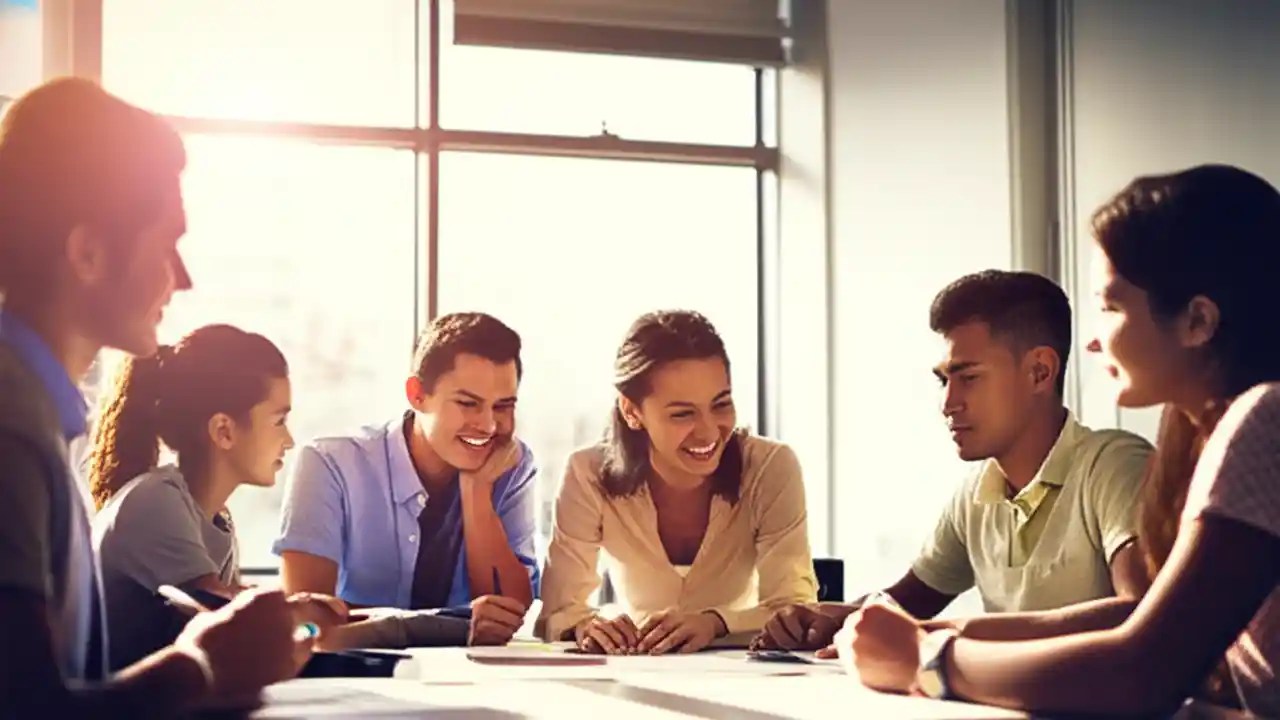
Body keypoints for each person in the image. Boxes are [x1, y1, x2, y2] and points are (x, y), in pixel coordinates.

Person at [840, 164, 1280, 717]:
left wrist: (927, 663)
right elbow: (1147, 616)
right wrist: (938, 633)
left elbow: (1141, 673)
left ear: (1197, 321)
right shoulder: (1203, 434)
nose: (1092, 342)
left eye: (1110, 308)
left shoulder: (1265, 421)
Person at [0, 78, 305, 718]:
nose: (183, 277)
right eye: (167, 242)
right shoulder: (11, 423)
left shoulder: (38, 415)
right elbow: (29, 709)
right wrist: (204, 664)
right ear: (88, 253)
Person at [755, 271, 1152, 654]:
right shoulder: (976, 494)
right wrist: (831, 619)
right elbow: (903, 604)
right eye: (944, 380)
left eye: (969, 377)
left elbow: (1141, 612)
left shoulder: (1114, 465)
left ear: (1039, 372)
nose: (948, 404)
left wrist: (937, 635)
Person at [536, 310, 818, 654]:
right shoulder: (587, 473)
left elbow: (795, 611)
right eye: (682, 413)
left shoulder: (770, 467)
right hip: (636, 666)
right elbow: (559, 613)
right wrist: (588, 627)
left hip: (740, 669)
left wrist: (715, 624)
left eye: (721, 404)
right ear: (632, 412)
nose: (709, 431)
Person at [89, 324, 346, 670]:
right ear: (223, 430)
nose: (288, 440)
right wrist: (308, 612)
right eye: (278, 420)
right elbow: (234, 618)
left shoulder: (217, 521)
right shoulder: (156, 502)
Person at [275, 312, 538, 646]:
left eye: (503, 406)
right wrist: (446, 626)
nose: (488, 425)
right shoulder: (329, 463)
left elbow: (511, 617)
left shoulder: (510, 465)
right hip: (352, 671)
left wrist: (477, 492)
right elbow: (308, 624)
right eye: (468, 403)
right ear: (417, 395)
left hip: (468, 674)